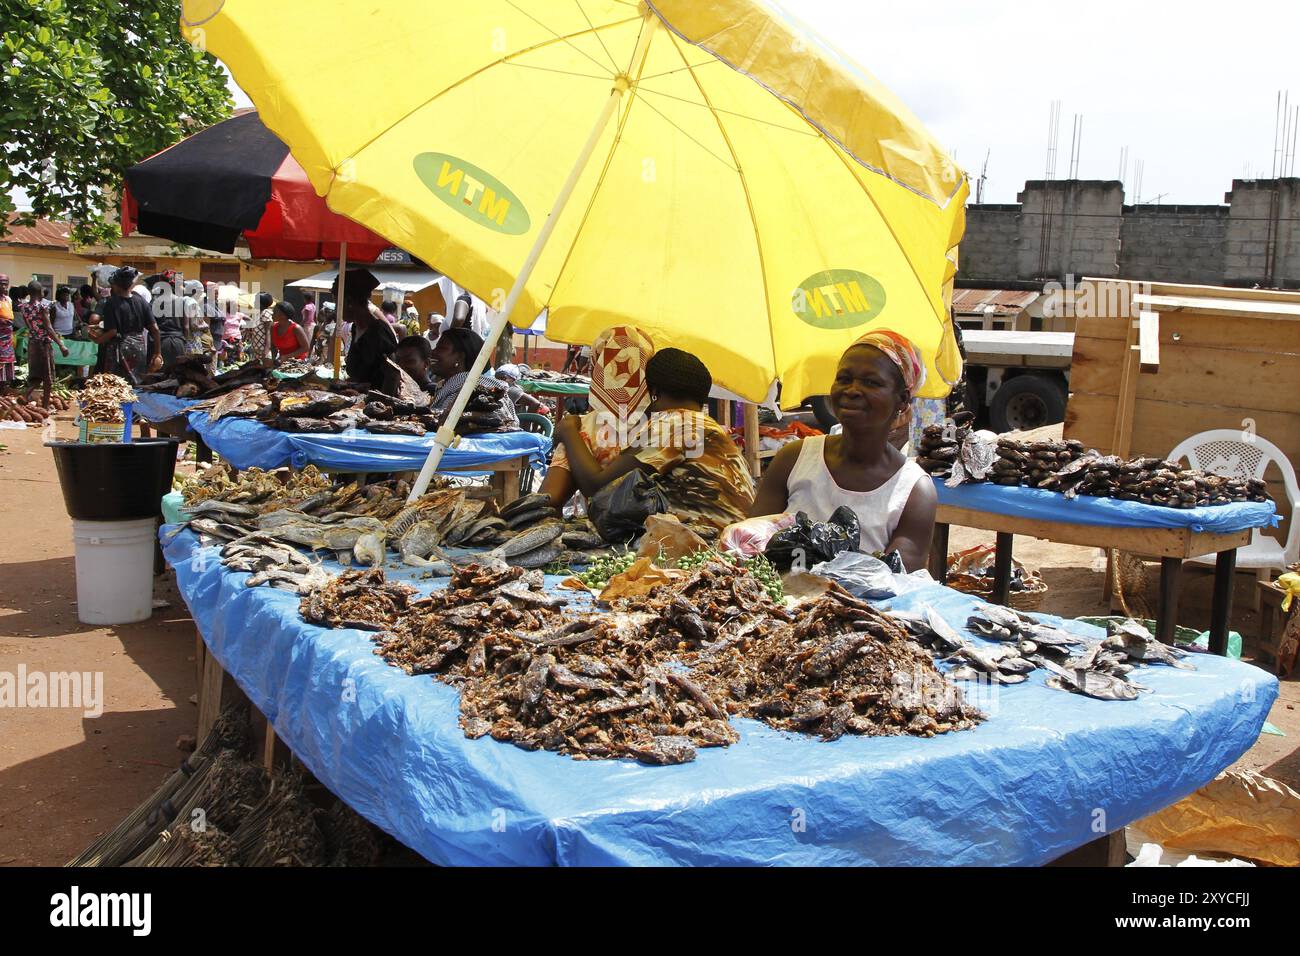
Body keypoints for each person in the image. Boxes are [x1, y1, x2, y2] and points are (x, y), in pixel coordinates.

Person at [747, 330, 936, 572]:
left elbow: (896, 579)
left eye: (871, 382)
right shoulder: (793, 459)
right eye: (844, 378)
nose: (852, 390)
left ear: (902, 399)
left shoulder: (914, 491)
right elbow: (752, 540)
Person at [553, 346, 754, 534]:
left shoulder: (675, 423)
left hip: (712, 543)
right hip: (734, 536)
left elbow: (599, 488)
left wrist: (569, 431)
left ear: (654, 393)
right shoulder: (705, 424)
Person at [540, 326, 654, 508]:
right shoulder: (666, 426)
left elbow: (548, 500)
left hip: (600, 531)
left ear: (597, 368)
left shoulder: (579, 429)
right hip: (664, 534)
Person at [428, 326, 518, 428]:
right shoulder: (448, 386)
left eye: (441, 348)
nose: (433, 351)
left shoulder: (464, 393)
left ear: (460, 357)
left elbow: (443, 425)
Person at [87, 266, 160, 382]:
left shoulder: (111, 303)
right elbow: (155, 330)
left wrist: (96, 340)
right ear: (132, 285)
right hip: (139, 347)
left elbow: (112, 331)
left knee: (117, 385)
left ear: (115, 284)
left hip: (119, 349)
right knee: (136, 382)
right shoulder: (141, 301)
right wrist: (157, 353)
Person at [338, 269, 396, 387]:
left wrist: (359, 387)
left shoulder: (380, 332)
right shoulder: (355, 328)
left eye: (337, 302)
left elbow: (392, 378)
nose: (336, 309)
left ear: (349, 301)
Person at [18, 282, 69, 408]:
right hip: (43, 344)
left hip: (32, 343)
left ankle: (26, 395)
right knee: (48, 378)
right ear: (40, 291)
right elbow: (49, 329)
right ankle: (44, 407)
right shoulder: (42, 307)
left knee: (36, 374)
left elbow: (29, 326)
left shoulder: (23, 307)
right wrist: (61, 345)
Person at [0, 274, 15, 393]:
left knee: (7, 360)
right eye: (1, 284)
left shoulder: (8, 299)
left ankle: (5, 385)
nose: (4, 286)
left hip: (7, 336)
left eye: (6, 284)